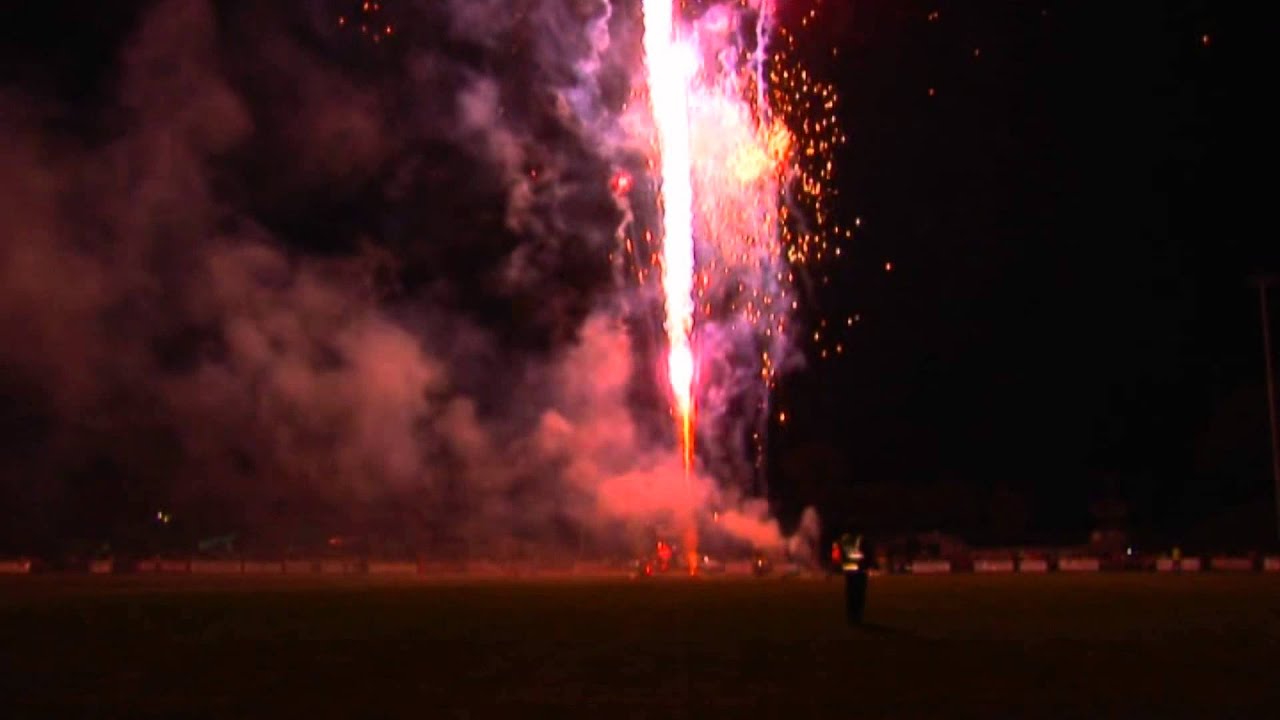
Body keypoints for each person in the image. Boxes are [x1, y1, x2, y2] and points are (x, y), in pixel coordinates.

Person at [838, 532, 869, 625]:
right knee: (858, 595)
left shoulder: (845, 539)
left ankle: (852, 616)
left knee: (852, 594)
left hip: (851, 570)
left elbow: (843, 555)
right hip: (858, 570)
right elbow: (863, 555)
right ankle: (856, 616)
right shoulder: (858, 539)